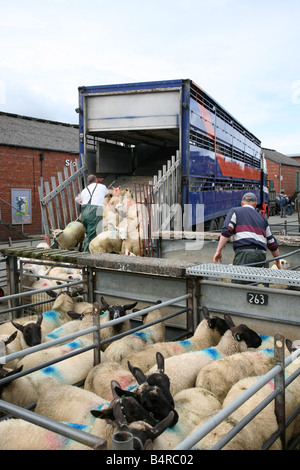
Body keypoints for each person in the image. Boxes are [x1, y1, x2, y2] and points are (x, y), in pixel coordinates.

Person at [213, 192, 281, 269]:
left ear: (242, 203)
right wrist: (277, 261)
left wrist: (218, 251)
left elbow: (227, 231)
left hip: (244, 254)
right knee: (254, 280)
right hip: (260, 255)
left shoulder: (235, 211)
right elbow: (272, 243)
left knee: (239, 279)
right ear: (255, 205)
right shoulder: (263, 219)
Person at [76, 174, 109, 252]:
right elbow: (107, 195)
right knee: (93, 237)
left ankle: (89, 253)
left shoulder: (84, 190)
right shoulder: (102, 186)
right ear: (96, 180)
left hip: (84, 212)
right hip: (94, 212)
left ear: (88, 183)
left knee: (88, 234)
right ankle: (87, 256)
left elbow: (77, 199)